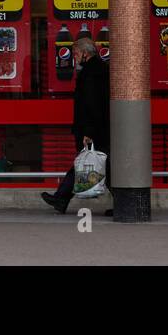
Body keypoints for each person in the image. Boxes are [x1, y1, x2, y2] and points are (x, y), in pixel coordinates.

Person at [42, 35, 110, 214]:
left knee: (90, 161)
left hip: (92, 128)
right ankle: (61, 199)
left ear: (85, 53)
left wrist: (88, 131)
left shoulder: (90, 73)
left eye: (76, 53)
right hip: (98, 126)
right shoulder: (97, 69)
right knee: (94, 161)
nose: (74, 57)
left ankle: (61, 198)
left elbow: (92, 103)